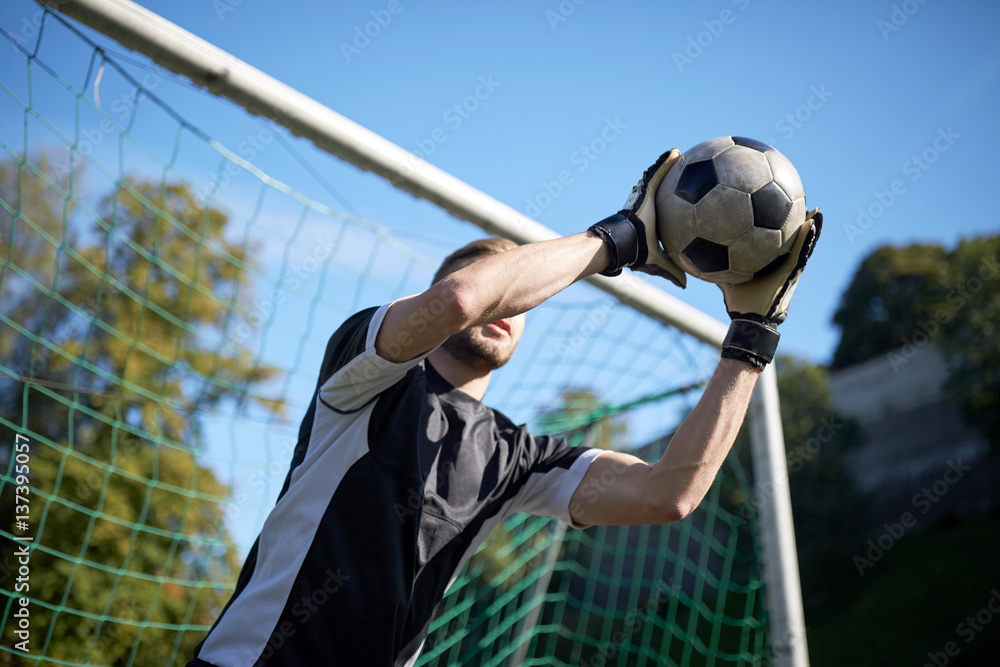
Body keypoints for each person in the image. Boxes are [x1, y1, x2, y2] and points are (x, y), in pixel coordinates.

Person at [188, 150, 822, 666]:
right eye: (504, 289)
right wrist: (619, 238)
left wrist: (752, 338)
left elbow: (669, 494)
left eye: (523, 302)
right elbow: (464, 300)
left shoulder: (519, 457)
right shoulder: (365, 373)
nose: (509, 308)